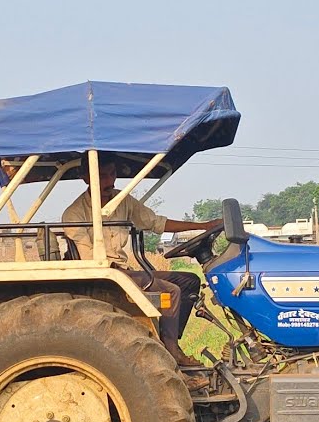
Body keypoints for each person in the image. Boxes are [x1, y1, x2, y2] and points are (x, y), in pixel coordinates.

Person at [61, 158, 219, 380]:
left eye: (111, 173)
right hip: (105, 274)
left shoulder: (121, 201)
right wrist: (117, 271)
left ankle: (170, 342)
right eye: (102, 176)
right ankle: (171, 352)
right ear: (85, 178)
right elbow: (90, 260)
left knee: (189, 281)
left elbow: (156, 222)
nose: (109, 181)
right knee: (171, 292)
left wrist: (201, 226)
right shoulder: (74, 214)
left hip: (123, 270)